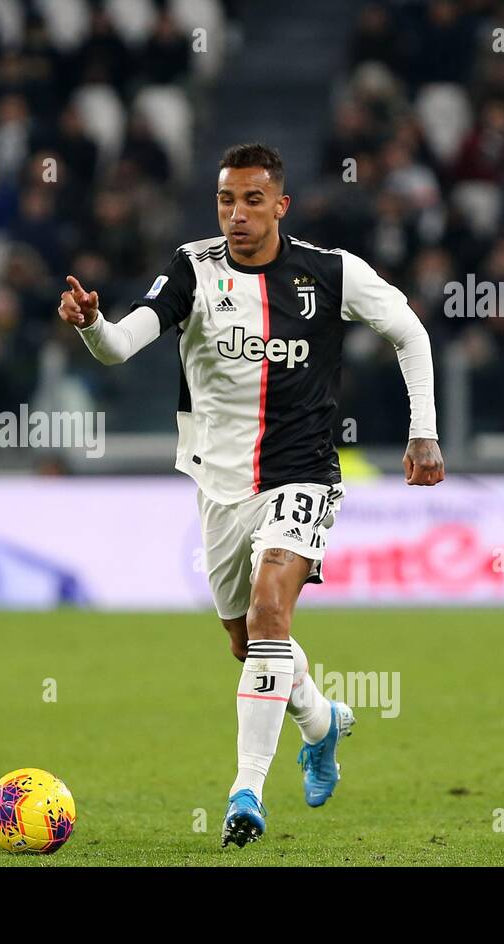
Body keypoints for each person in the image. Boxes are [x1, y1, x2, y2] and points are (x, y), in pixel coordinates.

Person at [58, 143, 445, 847]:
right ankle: (323, 722)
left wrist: (424, 432)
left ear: (281, 205)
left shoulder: (329, 272)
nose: (236, 215)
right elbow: (120, 347)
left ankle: (246, 793)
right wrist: (91, 326)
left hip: (302, 472)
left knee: (271, 613)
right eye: (226, 201)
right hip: (218, 483)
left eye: (252, 200)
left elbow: (409, 331)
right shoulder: (192, 268)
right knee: (248, 643)